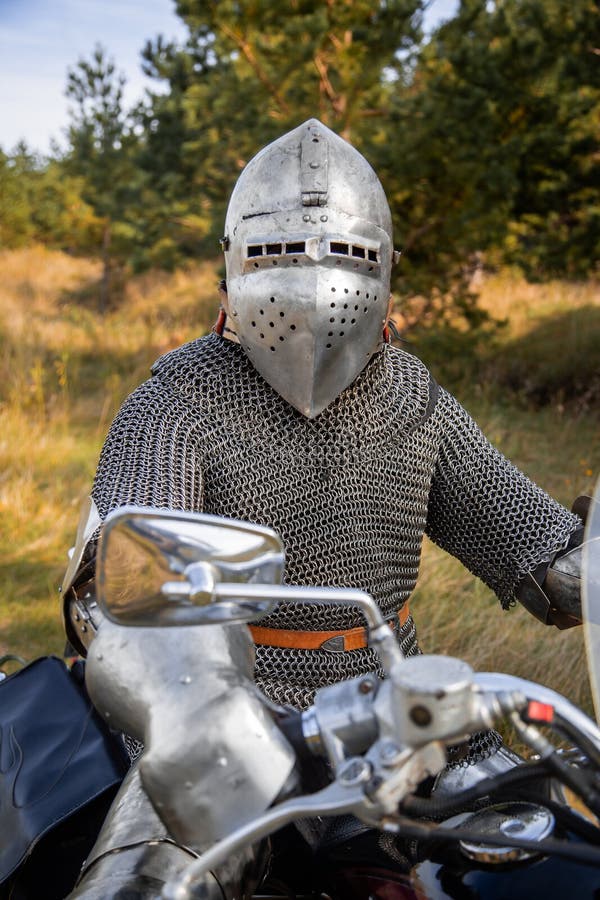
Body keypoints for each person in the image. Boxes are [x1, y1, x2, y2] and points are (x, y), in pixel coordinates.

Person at [63, 117, 586, 899]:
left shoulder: (415, 402)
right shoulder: (176, 401)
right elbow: (118, 606)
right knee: (149, 879)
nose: (313, 287)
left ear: (385, 271)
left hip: (393, 702)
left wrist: (587, 565)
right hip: (217, 716)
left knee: (546, 860)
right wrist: (199, 709)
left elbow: (551, 562)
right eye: (278, 255)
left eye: (345, 254)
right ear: (235, 268)